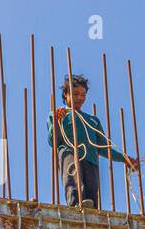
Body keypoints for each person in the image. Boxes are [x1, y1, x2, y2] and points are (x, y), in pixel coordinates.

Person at [47, 73, 139, 208]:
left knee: (92, 189)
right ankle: (74, 206)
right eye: (75, 93)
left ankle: (91, 212)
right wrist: (56, 120)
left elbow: (102, 146)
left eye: (83, 94)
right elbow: (52, 142)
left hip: (91, 159)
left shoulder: (93, 120)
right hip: (70, 154)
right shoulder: (59, 114)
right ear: (66, 94)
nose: (79, 98)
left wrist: (124, 158)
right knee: (74, 183)